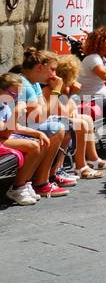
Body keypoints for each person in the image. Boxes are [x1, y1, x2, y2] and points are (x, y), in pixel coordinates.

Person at [15, 49, 76, 196]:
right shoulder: (25, 84)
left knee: (66, 124)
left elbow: (44, 110)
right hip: (17, 128)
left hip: (27, 124)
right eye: (52, 70)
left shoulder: (34, 83)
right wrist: (56, 91)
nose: (54, 75)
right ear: (39, 68)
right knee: (57, 128)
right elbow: (39, 117)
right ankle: (41, 182)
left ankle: (53, 172)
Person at [1, 71, 63, 204]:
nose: (15, 99)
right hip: (2, 138)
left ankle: (25, 182)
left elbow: (15, 127)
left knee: (42, 141)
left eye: (18, 96)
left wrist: (37, 133)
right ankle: (17, 188)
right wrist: (17, 112)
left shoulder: (5, 105)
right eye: (13, 94)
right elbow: (5, 132)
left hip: (4, 138)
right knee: (33, 146)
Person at [52, 57, 106, 179]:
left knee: (87, 119)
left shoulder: (65, 86)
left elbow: (70, 106)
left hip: (61, 114)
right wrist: (72, 93)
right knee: (81, 124)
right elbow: (60, 108)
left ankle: (93, 158)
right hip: (55, 116)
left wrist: (72, 103)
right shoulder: (62, 87)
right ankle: (80, 165)